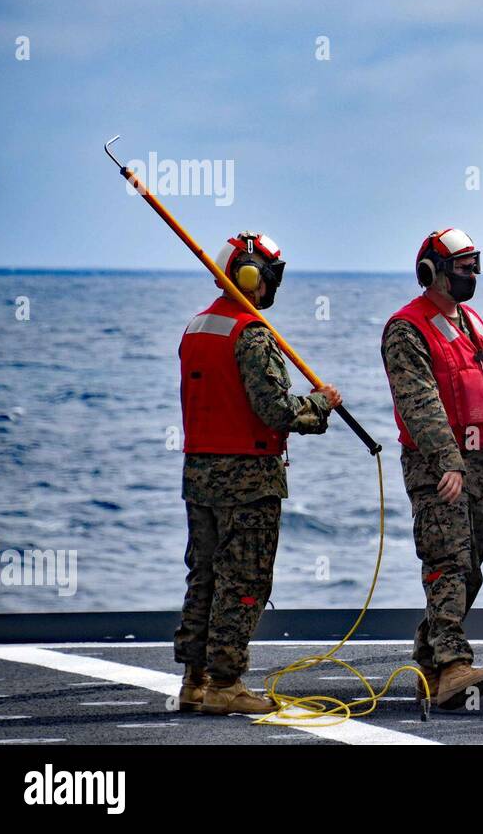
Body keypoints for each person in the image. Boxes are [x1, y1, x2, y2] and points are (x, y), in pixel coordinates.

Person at [174, 231, 341, 715]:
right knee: (243, 579)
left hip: (199, 473)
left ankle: (195, 679)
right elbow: (276, 411)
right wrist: (320, 405)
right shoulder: (250, 334)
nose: (272, 284)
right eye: (269, 275)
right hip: (246, 478)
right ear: (251, 276)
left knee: (204, 575)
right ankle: (226, 684)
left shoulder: (196, 327)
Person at [382, 227, 483, 710]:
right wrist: (447, 462)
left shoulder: (471, 324)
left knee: (470, 567)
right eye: (462, 267)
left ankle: (429, 664)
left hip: (480, 465)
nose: (471, 274)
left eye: (474, 266)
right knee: (447, 562)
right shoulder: (406, 330)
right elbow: (419, 403)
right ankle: (453, 665)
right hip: (439, 470)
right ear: (434, 273)